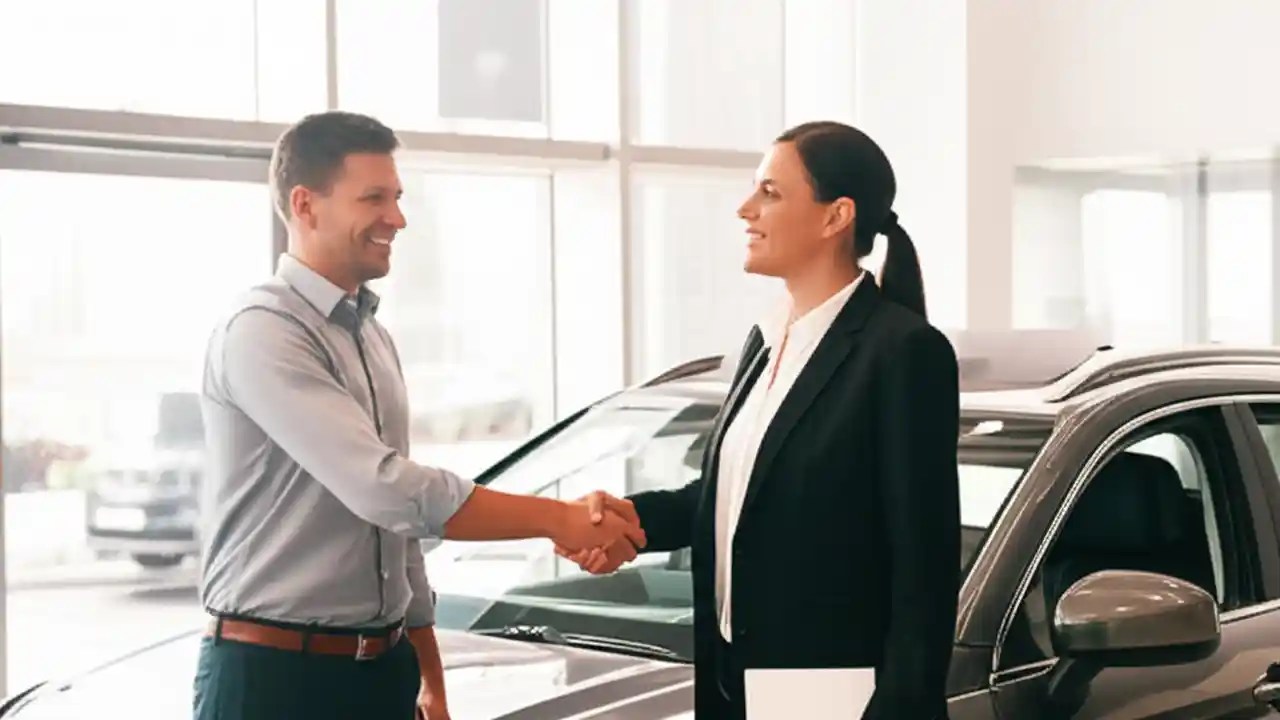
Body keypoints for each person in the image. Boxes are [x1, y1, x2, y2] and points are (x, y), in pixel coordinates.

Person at [194, 110, 644, 720]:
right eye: (374, 198)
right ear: (305, 205)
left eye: (398, 198)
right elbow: (384, 489)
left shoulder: (370, 335)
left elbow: (395, 533)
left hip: (383, 671)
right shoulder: (263, 333)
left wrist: (429, 676)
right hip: (276, 679)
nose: (397, 219)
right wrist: (558, 519)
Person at [559, 120, 961, 719]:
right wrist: (632, 519)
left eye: (770, 192)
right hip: (733, 685)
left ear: (835, 216)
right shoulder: (767, 341)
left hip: (834, 696)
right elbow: (735, 497)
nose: (746, 209)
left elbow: (923, 564)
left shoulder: (902, 351)